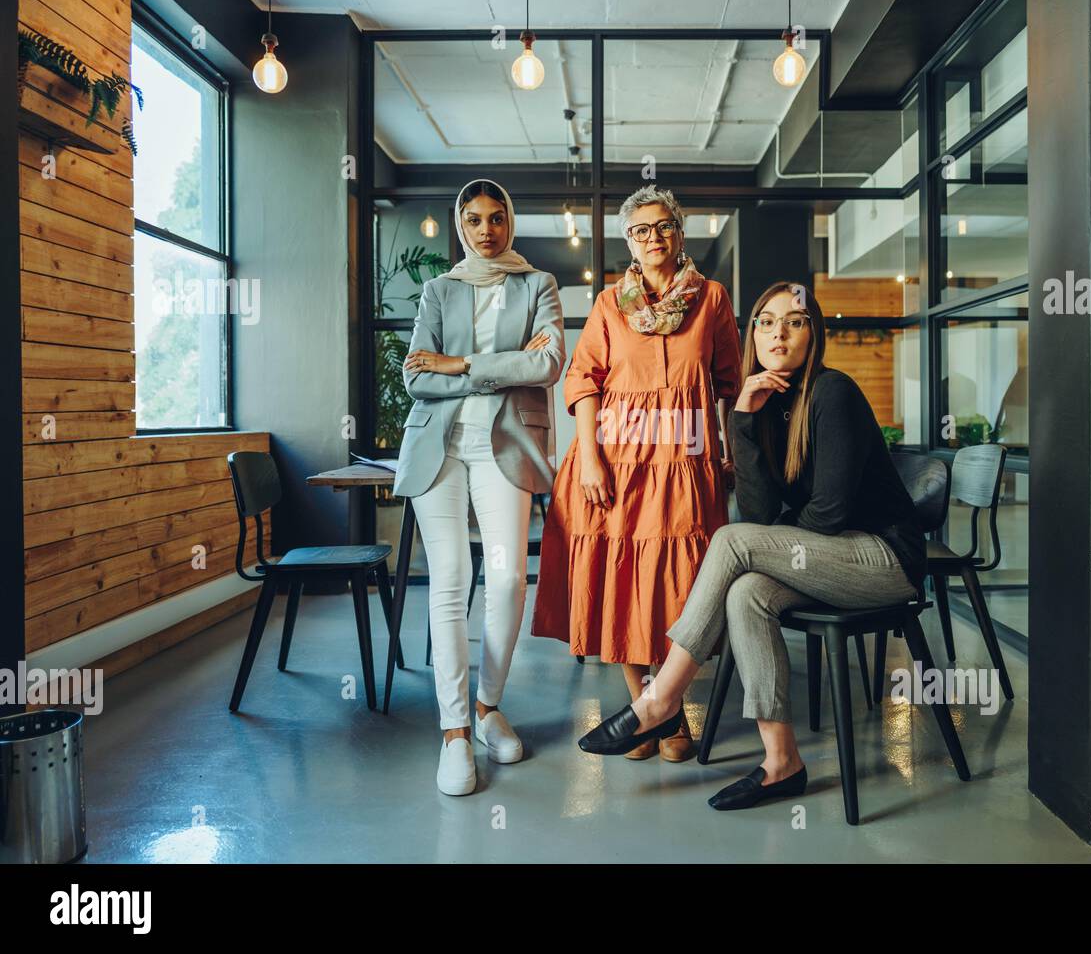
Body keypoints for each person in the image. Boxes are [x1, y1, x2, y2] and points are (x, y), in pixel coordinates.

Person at [576, 280, 927, 811]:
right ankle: (781, 761)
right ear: (751, 335)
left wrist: (776, 529)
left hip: (882, 558)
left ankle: (663, 697)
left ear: (815, 334)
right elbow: (761, 514)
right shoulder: (763, 404)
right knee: (746, 593)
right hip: (827, 559)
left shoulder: (834, 392)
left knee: (731, 541)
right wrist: (741, 414)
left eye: (795, 320)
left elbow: (828, 514)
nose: (778, 332)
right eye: (765, 321)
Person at [532, 185, 741, 763]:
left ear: (680, 231)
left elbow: (727, 382)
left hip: (686, 460)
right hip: (617, 462)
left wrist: (728, 451)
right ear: (629, 241)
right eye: (640, 230)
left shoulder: (713, 298)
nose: (653, 237)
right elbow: (583, 381)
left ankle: (667, 704)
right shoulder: (608, 303)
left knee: (682, 587)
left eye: (663, 226)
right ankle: (644, 711)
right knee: (621, 580)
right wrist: (591, 455)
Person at [393, 179, 565, 796]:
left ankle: (488, 706)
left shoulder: (537, 285)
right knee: (449, 582)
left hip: (505, 446)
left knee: (510, 579)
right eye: (473, 219)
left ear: (510, 221)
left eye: (496, 217)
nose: (486, 230)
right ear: (460, 225)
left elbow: (546, 366)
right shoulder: (439, 289)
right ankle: (454, 732)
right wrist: (501, 368)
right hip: (439, 447)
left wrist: (460, 365)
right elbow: (417, 378)